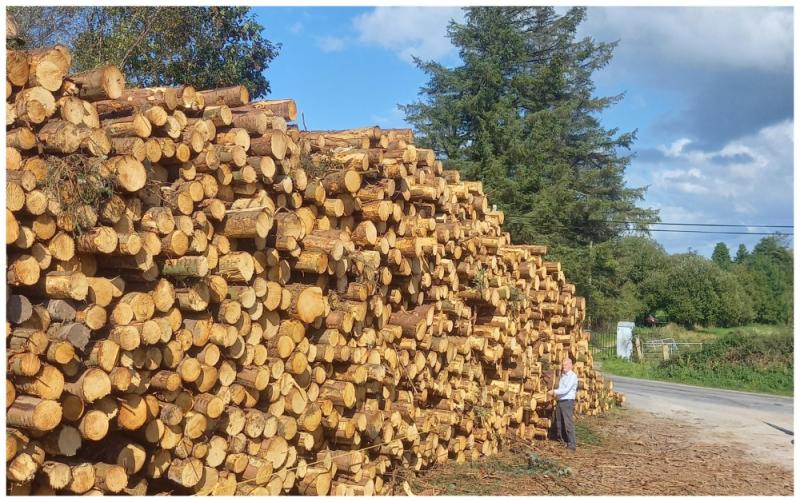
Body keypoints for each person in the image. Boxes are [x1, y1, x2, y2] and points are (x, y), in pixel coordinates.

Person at [547, 357, 578, 451]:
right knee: (559, 423)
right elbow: (561, 388)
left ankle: (572, 444)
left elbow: (566, 389)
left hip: (567, 402)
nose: (563, 366)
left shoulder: (572, 376)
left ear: (570, 365)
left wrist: (554, 392)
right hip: (560, 401)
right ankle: (563, 441)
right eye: (563, 365)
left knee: (568, 423)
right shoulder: (563, 375)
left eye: (565, 365)